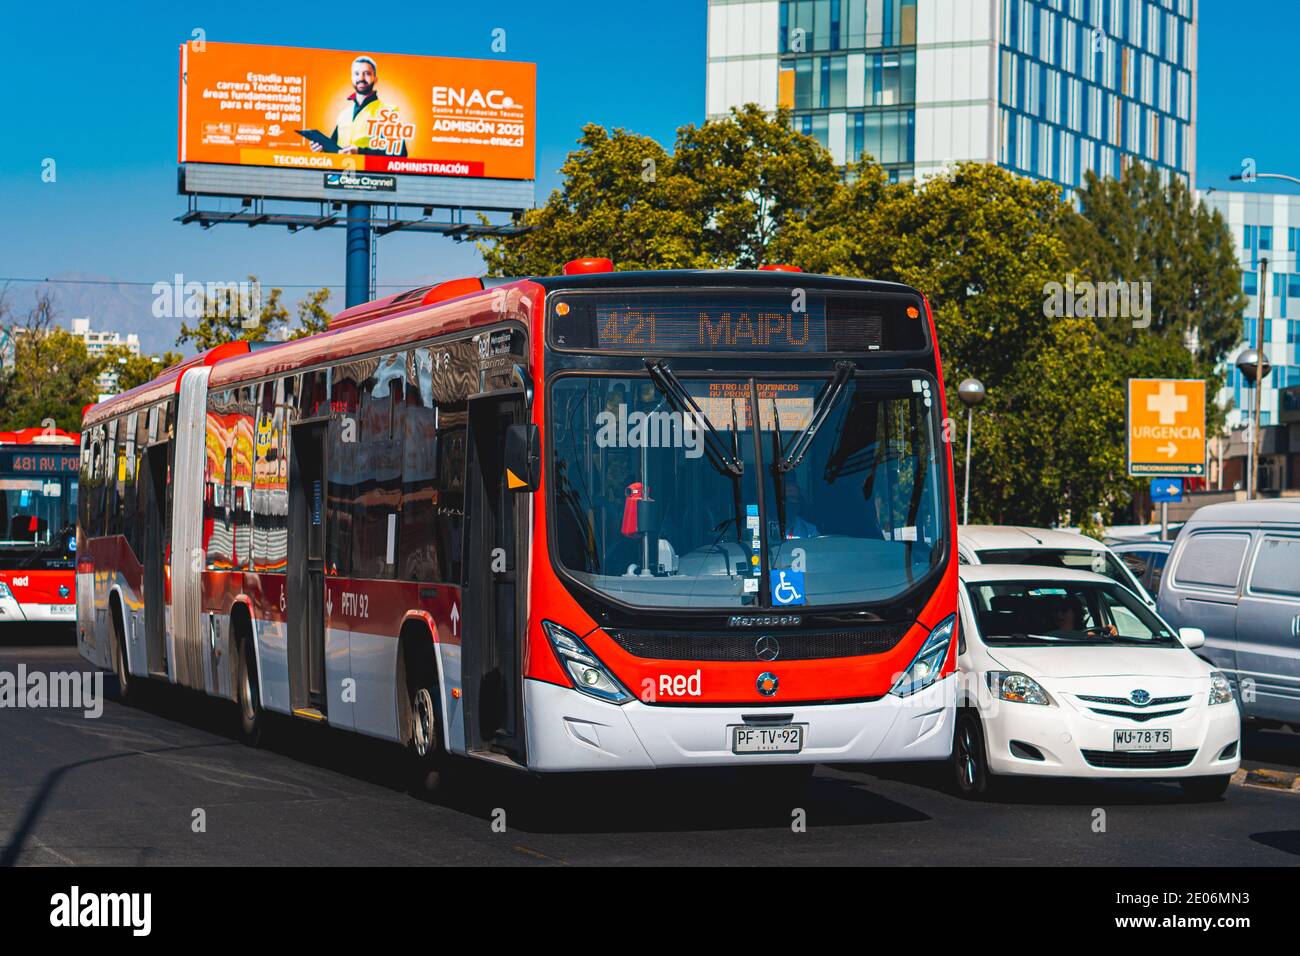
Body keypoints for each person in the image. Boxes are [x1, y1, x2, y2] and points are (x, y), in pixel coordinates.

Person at [309, 56, 407, 156]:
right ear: (351, 78)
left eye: (367, 73)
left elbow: (400, 154)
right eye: (356, 74)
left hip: (367, 171)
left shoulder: (388, 111)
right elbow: (335, 150)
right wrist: (322, 149)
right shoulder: (344, 114)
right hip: (340, 171)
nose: (361, 78)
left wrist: (360, 152)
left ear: (375, 79)